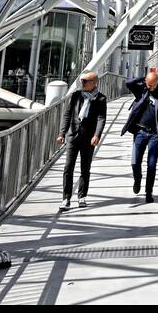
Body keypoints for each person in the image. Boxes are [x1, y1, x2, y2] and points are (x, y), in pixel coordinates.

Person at [56, 71, 107, 210]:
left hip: (89, 138)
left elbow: (101, 118)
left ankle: (82, 196)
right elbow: (67, 114)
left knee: (85, 168)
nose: (82, 83)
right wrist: (62, 133)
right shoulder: (75, 95)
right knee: (68, 168)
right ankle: (66, 198)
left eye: (85, 81)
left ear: (94, 83)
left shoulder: (101, 99)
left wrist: (97, 135)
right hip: (73, 136)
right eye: (82, 81)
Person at [121, 69, 158, 204]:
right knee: (135, 161)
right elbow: (128, 83)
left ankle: (148, 192)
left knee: (152, 164)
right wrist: (144, 79)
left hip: (155, 133)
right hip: (140, 131)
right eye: (148, 85)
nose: (150, 87)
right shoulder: (141, 90)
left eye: (152, 85)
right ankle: (137, 179)